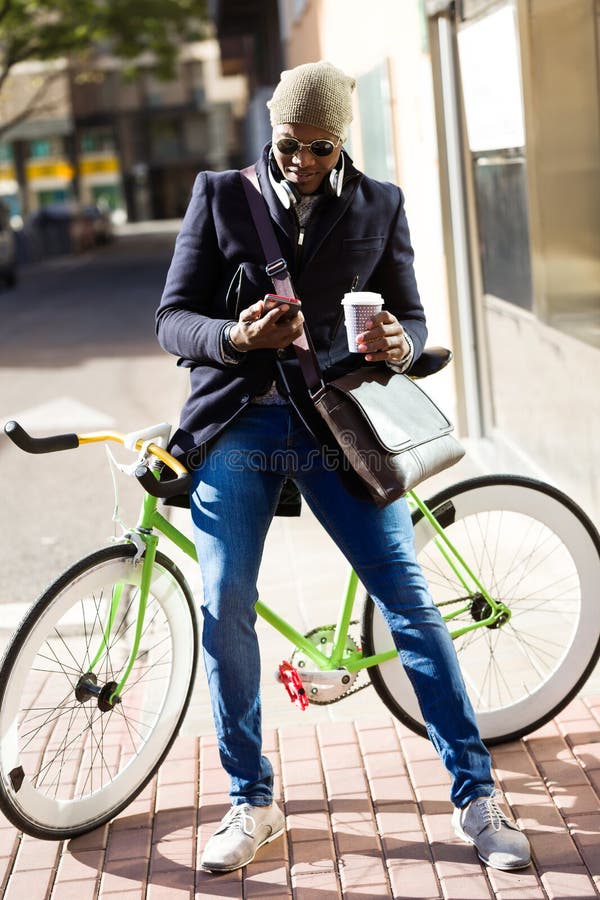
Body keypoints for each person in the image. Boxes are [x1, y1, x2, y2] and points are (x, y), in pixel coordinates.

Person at [156, 60, 531, 875]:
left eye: (319, 148)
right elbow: (172, 319)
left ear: (341, 141)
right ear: (273, 131)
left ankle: (477, 796)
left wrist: (398, 343)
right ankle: (252, 800)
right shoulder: (222, 195)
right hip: (240, 426)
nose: (302, 162)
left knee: (410, 599)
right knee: (222, 602)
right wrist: (233, 339)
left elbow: (411, 310)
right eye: (289, 144)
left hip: (338, 428)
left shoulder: (379, 204)